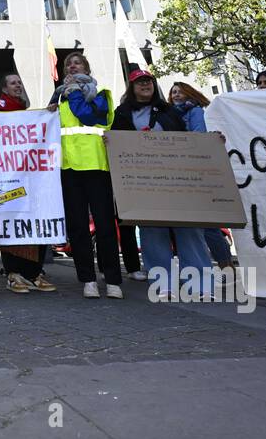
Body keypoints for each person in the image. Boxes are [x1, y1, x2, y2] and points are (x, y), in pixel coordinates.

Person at [113, 69, 212, 298]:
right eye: (140, 82)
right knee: (152, 231)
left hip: (178, 179)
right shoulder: (122, 113)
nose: (145, 85)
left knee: (188, 228)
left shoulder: (169, 111)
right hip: (144, 182)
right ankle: (162, 283)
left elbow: (189, 138)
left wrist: (211, 143)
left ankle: (199, 284)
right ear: (132, 88)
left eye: (148, 81)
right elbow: (119, 144)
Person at [45, 52, 123, 299]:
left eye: (76, 63)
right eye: (68, 64)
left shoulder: (101, 96)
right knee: (78, 228)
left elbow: (88, 116)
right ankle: (87, 279)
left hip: (97, 167)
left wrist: (73, 92)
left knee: (104, 226)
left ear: (86, 68)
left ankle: (112, 280)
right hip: (69, 168)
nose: (71, 66)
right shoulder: (60, 99)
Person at [0, 73, 56, 294]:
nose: (18, 85)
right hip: (8, 177)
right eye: (13, 83)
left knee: (35, 220)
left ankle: (33, 273)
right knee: (11, 223)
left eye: (20, 82)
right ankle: (13, 273)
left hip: (29, 178)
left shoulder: (24, 110)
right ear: (4, 89)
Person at [168, 81, 235, 270]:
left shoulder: (195, 111)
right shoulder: (169, 114)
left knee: (207, 224)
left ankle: (226, 267)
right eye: (173, 92)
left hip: (193, 169)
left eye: (180, 92)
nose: (176, 95)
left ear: (190, 94)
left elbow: (198, 136)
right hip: (177, 170)